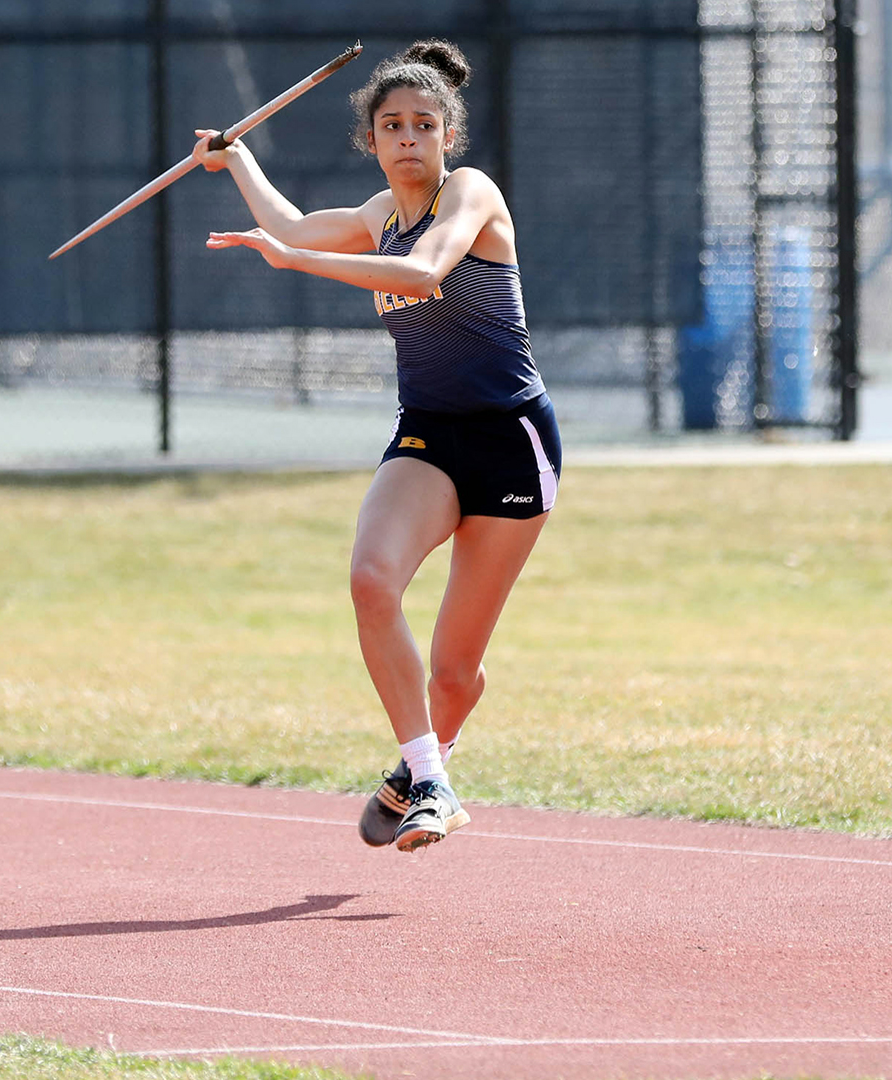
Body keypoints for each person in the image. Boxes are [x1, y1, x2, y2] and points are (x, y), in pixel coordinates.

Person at [196, 40, 558, 850]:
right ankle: (429, 779)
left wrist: (296, 261)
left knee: (455, 672)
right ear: (372, 139)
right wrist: (239, 159)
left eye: (424, 125)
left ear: (445, 138)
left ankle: (425, 764)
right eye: (391, 125)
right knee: (370, 578)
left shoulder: (469, 194)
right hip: (428, 435)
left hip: (509, 439)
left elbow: (425, 274)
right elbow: (288, 222)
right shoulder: (375, 215)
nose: (407, 138)